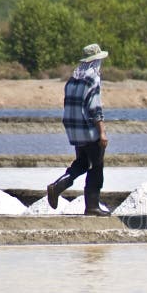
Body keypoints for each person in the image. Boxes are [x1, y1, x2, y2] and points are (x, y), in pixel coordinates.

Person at [47, 43, 111, 216]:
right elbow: (94, 108)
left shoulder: (73, 80)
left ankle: (57, 186)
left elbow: (67, 105)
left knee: (82, 163)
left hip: (75, 131)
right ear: (95, 61)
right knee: (96, 167)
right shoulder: (92, 79)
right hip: (89, 131)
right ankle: (92, 206)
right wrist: (102, 132)